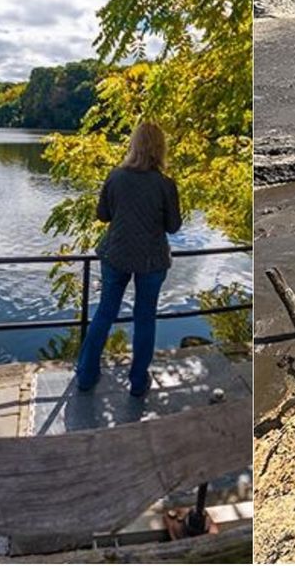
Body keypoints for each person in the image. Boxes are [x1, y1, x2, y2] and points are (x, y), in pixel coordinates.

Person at [75, 122, 183, 397]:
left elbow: (103, 215)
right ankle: (137, 382)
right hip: (151, 259)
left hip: (116, 254)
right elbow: (173, 226)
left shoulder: (116, 176)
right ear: (160, 149)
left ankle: (86, 376)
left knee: (105, 313)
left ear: (133, 145)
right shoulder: (165, 184)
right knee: (145, 318)